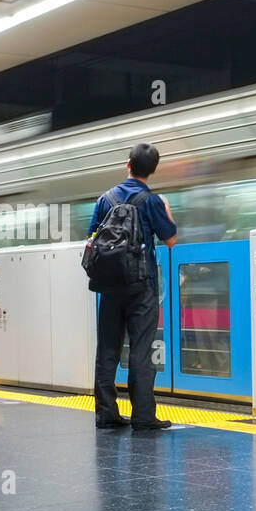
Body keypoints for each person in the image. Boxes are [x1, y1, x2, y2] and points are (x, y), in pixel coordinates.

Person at [89, 143, 177, 430]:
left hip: (109, 286)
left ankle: (106, 413)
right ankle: (142, 415)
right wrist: (167, 211)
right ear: (153, 170)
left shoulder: (105, 199)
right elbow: (170, 239)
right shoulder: (151, 201)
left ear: (128, 164)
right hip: (142, 285)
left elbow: (92, 236)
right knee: (140, 349)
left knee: (107, 349)